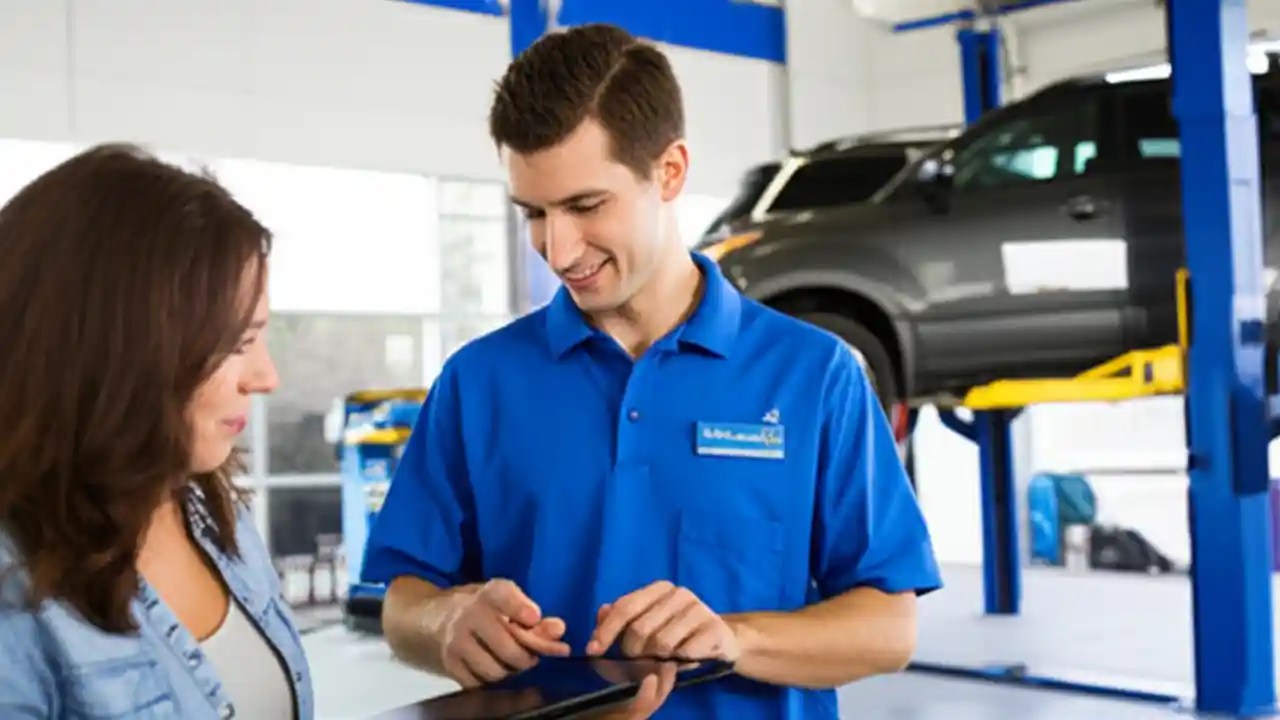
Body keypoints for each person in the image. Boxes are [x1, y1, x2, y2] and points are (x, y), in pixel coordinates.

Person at [362, 23, 942, 719]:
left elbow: (889, 627)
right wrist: (444, 623)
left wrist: (733, 637)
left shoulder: (815, 377)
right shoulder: (477, 383)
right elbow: (403, 602)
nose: (557, 247)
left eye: (584, 206)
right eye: (533, 213)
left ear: (669, 172)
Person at [0, 144, 313, 719]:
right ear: (123, 349)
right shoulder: (14, 579)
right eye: (238, 343)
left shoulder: (218, 518)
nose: (267, 377)